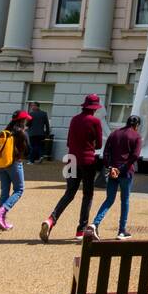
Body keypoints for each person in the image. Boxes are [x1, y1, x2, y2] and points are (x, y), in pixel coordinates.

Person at [40, 94, 104, 243]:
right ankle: (81, 229)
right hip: (87, 160)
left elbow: (69, 141)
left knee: (69, 193)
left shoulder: (74, 119)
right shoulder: (95, 121)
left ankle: (51, 220)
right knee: (87, 195)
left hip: (71, 159)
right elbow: (99, 144)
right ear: (95, 108)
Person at [87, 114, 143, 240]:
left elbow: (106, 152)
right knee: (125, 201)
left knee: (109, 200)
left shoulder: (115, 133)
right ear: (137, 125)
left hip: (113, 171)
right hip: (126, 172)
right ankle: (121, 231)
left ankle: (95, 223)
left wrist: (111, 167)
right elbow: (134, 156)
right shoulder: (136, 137)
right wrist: (121, 168)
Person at [0, 110, 32, 231]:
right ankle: (0, 212)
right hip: (14, 163)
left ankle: (1, 221)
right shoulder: (22, 133)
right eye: (26, 120)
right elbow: (29, 150)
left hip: (2, 163)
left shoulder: (5, 132)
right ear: (22, 121)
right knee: (19, 190)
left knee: (4, 191)